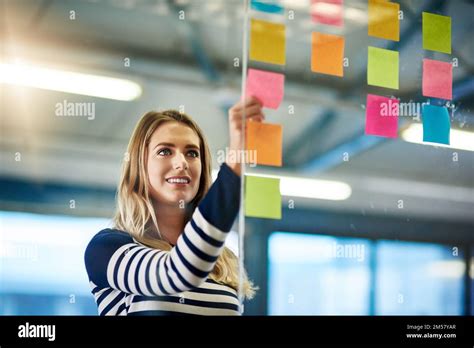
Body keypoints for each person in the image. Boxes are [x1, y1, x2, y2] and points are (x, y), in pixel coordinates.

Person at [84, 97, 263, 315]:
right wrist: (236, 157)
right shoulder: (107, 248)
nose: (181, 163)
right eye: (165, 151)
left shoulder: (223, 260)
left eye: (192, 153)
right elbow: (175, 272)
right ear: (141, 166)